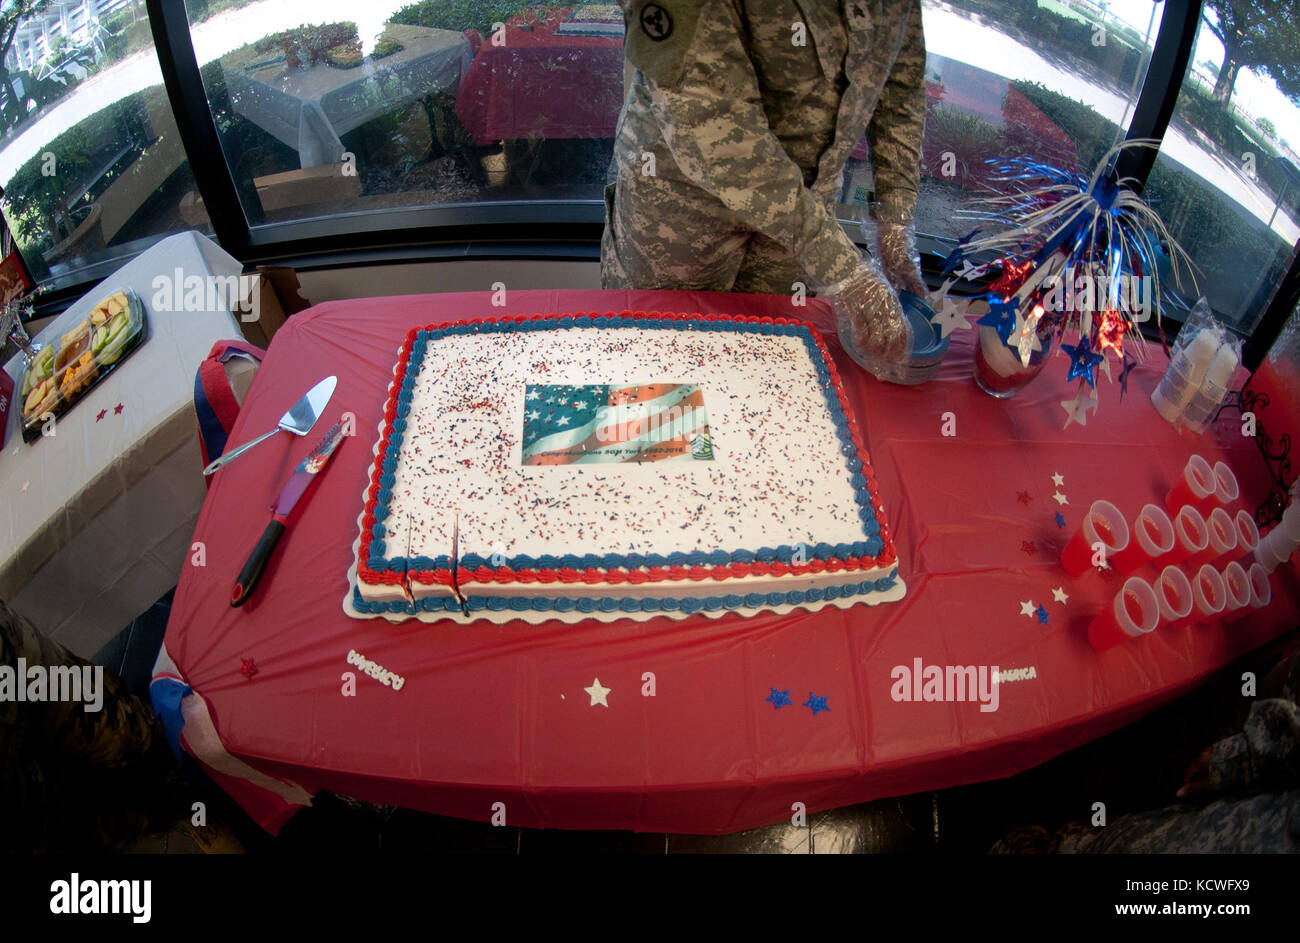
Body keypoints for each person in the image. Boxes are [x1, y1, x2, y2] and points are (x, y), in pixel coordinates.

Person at [601, 0, 928, 372]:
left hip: (801, 219)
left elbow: (900, 85)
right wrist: (841, 268)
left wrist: (895, 215)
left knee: (768, 374)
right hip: (681, 215)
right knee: (654, 370)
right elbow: (712, 121)